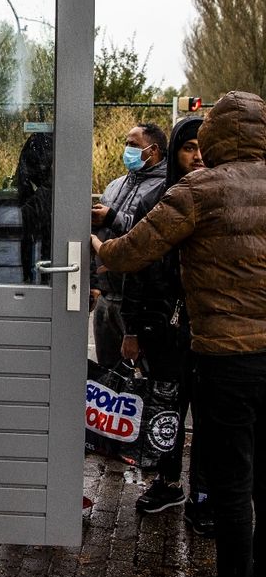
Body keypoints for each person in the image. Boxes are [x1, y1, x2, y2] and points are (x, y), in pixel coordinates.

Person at [92, 91, 266, 577]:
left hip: (227, 357)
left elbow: (134, 251)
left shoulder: (200, 189)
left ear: (215, 136)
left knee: (231, 480)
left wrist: (98, 247)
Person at [118, 118, 211, 532]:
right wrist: (132, 330)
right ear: (174, 152)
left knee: (208, 417)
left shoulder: (220, 201)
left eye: (203, 147)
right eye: (189, 147)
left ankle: (204, 493)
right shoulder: (156, 202)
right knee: (167, 409)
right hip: (163, 330)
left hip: (210, 331)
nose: (198, 156)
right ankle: (167, 481)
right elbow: (136, 270)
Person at [90, 123, 167, 367]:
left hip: (137, 302)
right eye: (126, 144)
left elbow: (150, 235)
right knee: (107, 373)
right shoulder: (115, 185)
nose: (127, 150)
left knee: (144, 371)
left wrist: (112, 218)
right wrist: (93, 283)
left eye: (133, 144)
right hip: (106, 297)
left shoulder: (165, 188)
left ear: (153, 150)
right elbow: (95, 235)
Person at [16, 130, 53, 283]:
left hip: (33, 198)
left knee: (31, 241)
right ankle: (42, 279)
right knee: (44, 241)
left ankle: (29, 278)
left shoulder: (36, 140)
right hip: (39, 199)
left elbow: (22, 173)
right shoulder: (46, 140)